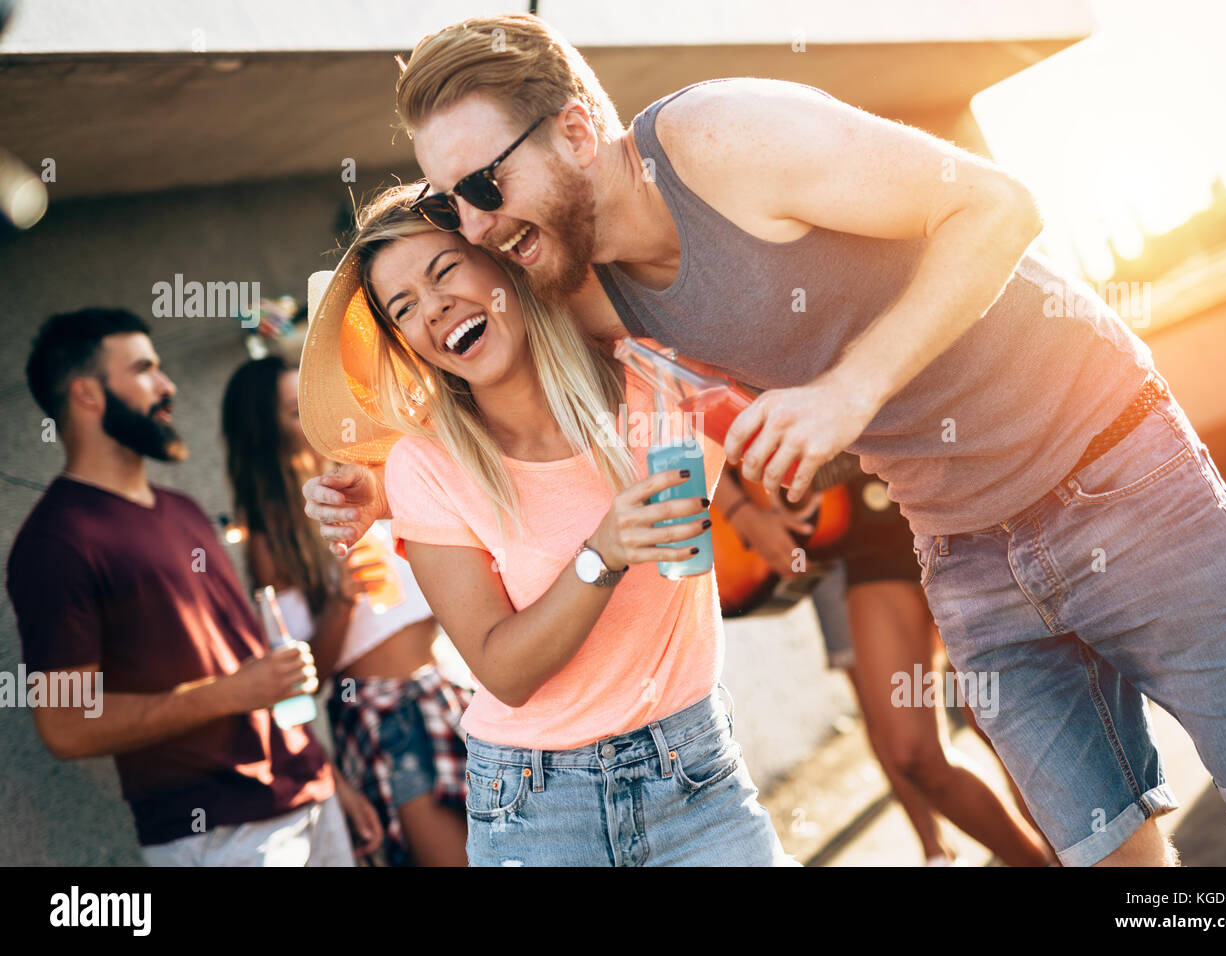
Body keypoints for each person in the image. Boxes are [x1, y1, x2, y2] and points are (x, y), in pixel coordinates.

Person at [306, 14, 1226, 867]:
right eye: (452, 203)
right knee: (1112, 857)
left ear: (573, 130)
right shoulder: (578, 289)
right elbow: (486, 385)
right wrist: (377, 487)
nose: (475, 227)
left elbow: (1000, 206)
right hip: (958, 541)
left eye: (483, 186)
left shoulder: (720, 139)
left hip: (1107, 461)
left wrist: (847, 391)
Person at [297, 183, 792, 867]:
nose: (433, 308)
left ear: (501, 261)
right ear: (407, 344)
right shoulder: (427, 467)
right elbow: (503, 671)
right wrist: (603, 553)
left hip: (695, 777)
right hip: (537, 807)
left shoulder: (657, 383)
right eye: (404, 308)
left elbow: (788, 392)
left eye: (445, 271)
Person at [8, 308, 356, 866]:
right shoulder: (56, 542)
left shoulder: (184, 511)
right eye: (143, 369)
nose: (167, 385)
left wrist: (328, 775)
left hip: (309, 794)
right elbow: (65, 726)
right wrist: (231, 693)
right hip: (219, 832)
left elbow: (253, 668)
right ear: (86, 393)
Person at [717, 464, 1056, 866]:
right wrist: (745, 512)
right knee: (911, 755)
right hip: (867, 536)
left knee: (1001, 719)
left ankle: (1084, 855)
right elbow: (696, 433)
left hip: (946, 500)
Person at [221, 355, 472, 866]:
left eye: (312, 402)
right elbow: (301, 677)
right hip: (386, 714)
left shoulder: (370, 477)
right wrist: (342, 598)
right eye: (295, 411)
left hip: (447, 691)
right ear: (266, 432)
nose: (314, 418)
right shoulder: (274, 538)